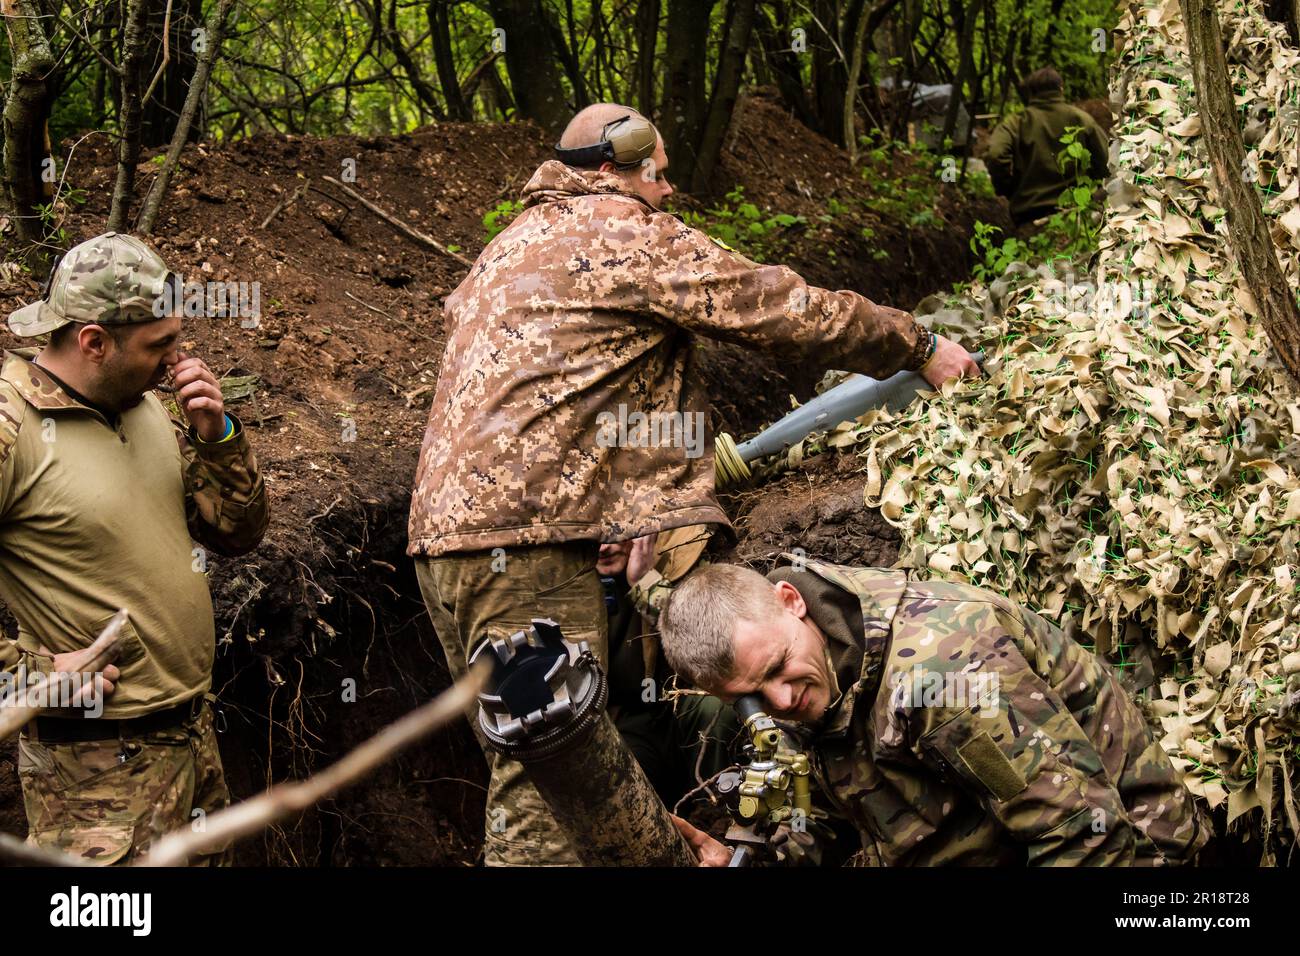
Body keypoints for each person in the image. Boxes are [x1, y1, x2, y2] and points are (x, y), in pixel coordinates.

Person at [409, 101, 979, 866]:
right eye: (659, 175)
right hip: (528, 545)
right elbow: (777, 307)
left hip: (444, 548)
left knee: (536, 767)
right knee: (550, 795)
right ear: (610, 171)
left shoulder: (506, 249)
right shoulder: (620, 231)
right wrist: (918, 344)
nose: (668, 193)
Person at [659, 555, 1210, 866]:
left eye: (780, 667)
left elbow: (1082, 834)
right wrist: (753, 864)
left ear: (791, 601)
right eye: (750, 696)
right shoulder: (796, 687)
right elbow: (818, 821)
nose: (781, 702)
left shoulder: (942, 672)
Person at [0, 232, 269, 864]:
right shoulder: (12, 427)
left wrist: (217, 436)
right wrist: (31, 678)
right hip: (95, 776)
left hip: (192, 740)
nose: (179, 360)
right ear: (94, 341)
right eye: (161, 344)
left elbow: (237, 534)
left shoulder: (145, 407)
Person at [597, 526, 739, 807]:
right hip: (628, 720)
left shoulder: (679, 559)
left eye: (614, 534)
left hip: (682, 702)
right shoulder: (570, 589)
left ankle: (719, 814)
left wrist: (645, 582)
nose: (603, 547)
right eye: (593, 538)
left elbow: (702, 639)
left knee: (717, 711)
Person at [984, 67, 1109, 226]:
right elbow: (1106, 162)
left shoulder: (1015, 123)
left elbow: (996, 154)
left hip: (1029, 215)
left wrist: (1009, 189)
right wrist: (1094, 190)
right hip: (1079, 214)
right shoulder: (1082, 119)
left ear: (1030, 92)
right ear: (1061, 89)